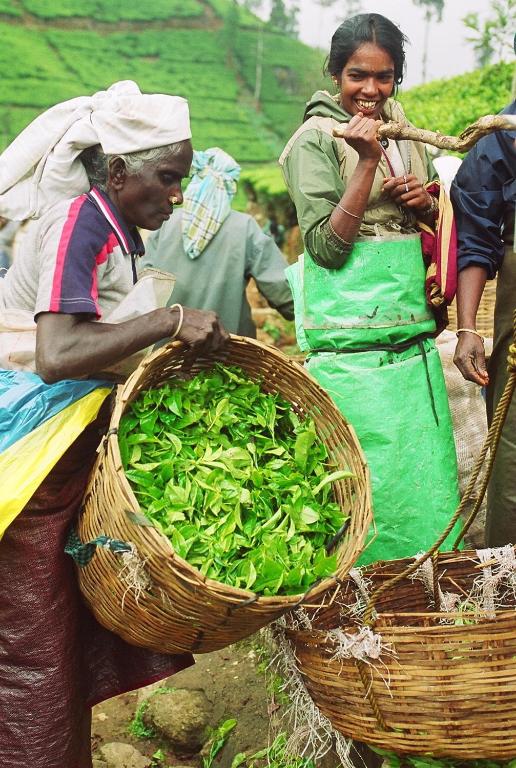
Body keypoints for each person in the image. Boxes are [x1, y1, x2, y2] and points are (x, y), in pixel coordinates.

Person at [0, 80, 228, 768]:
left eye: (182, 179)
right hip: (31, 457)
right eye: (169, 178)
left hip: (63, 454)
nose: (178, 195)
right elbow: (57, 354)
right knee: (33, 645)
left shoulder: (118, 232)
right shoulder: (81, 223)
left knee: (58, 639)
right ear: (121, 172)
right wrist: (167, 321)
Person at [280, 13, 460, 570]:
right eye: (358, 75)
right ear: (335, 73)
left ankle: (426, 594)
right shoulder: (314, 141)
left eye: (384, 77)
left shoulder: (404, 130)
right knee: (361, 488)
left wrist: (424, 202)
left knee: (424, 483)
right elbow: (326, 249)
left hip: (411, 345)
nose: (371, 90)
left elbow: (431, 222)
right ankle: (355, 602)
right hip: (349, 353)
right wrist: (365, 164)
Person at [450, 37, 516, 548]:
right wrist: (468, 327)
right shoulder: (503, 138)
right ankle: (507, 578)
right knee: (512, 454)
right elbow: (476, 234)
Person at [141, 147, 294, 337]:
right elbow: (284, 294)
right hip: (226, 349)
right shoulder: (245, 228)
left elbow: (140, 287)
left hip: (166, 348)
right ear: (228, 187)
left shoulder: (164, 224)